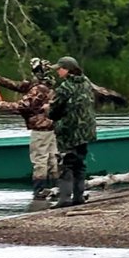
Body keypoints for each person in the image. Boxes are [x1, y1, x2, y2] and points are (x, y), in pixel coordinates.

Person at [0, 58, 58, 199]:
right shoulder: (45, 85)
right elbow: (18, 86)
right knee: (52, 159)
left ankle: (39, 191)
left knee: (40, 160)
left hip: (41, 130)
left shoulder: (39, 89)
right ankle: (57, 188)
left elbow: (24, 106)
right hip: (52, 129)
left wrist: (4, 105)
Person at [45, 56, 98, 207]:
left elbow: (54, 112)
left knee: (66, 164)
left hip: (69, 131)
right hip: (86, 131)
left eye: (60, 69)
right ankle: (78, 197)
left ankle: (64, 199)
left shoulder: (65, 87)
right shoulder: (86, 82)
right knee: (80, 163)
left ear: (67, 70)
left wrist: (47, 108)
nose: (58, 72)